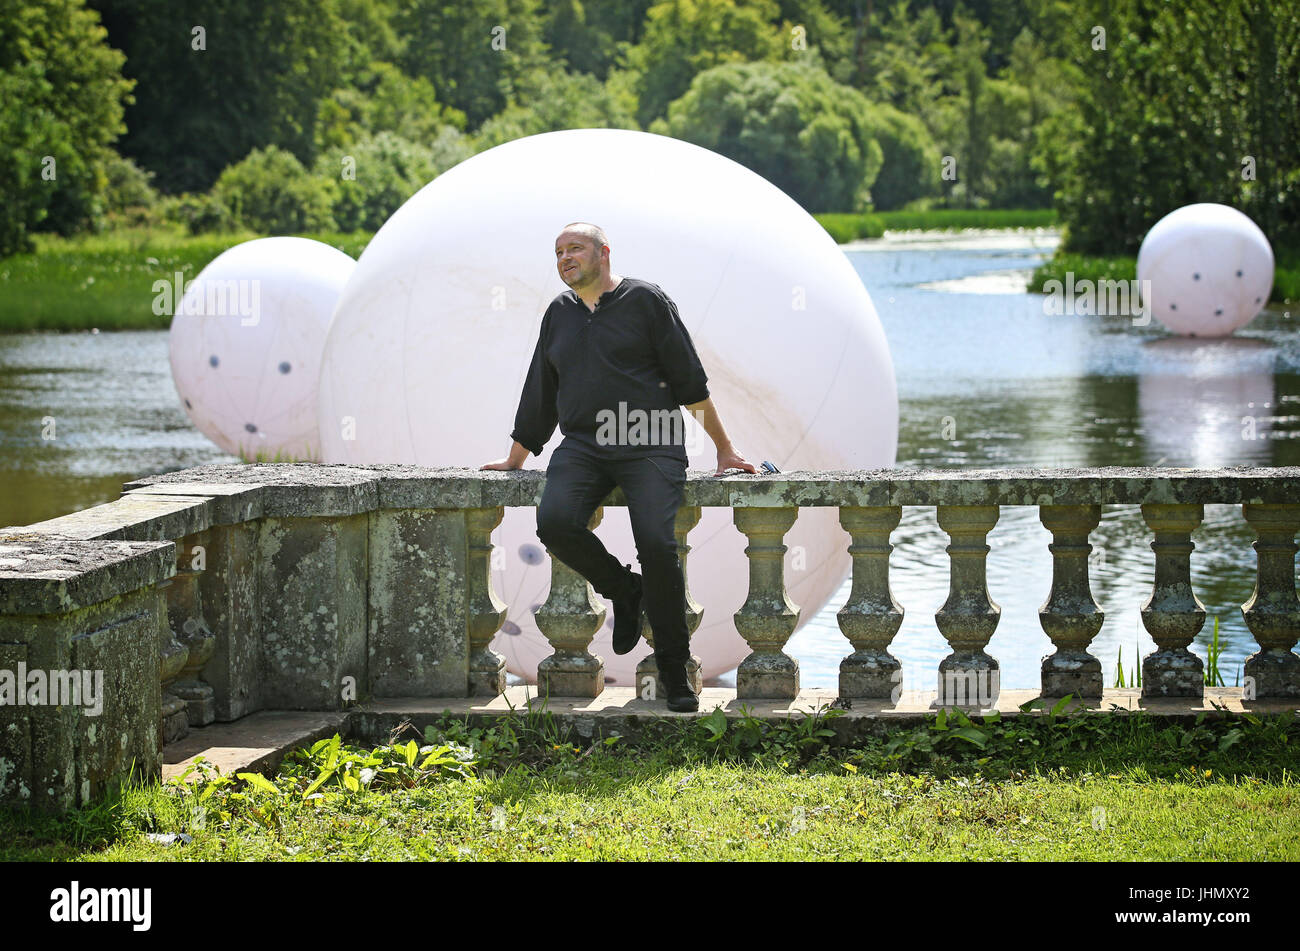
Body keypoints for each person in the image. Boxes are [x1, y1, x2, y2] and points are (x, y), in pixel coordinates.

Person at [482, 222, 756, 712]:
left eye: (576, 249)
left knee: (656, 541)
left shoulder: (646, 300)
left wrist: (724, 449)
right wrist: (515, 458)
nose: (566, 258)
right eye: (559, 252)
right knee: (556, 523)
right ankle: (625, 591)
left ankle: (674, 672)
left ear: (603, 253)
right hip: (585, 444)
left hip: (651, 442)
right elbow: (540, 391)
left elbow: (689, 379)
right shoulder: (559, 314)